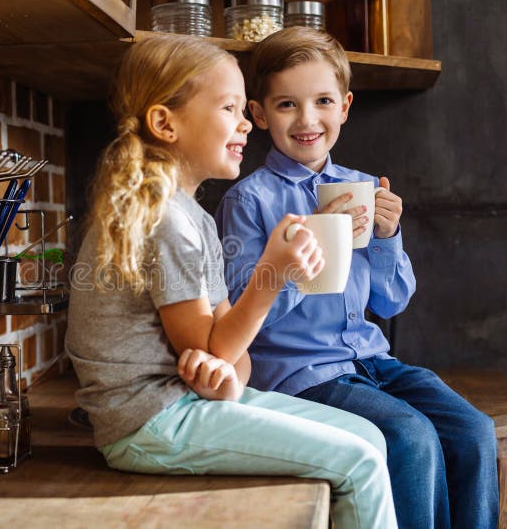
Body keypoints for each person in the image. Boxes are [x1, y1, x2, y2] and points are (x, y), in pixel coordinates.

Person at [65, 34, 397, 529]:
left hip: (186, 404)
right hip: (149, 424)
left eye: (245, 109)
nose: (246, 123)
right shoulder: (164, 221)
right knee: (361, 461)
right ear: (165, 123)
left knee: (370, 439)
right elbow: (218, 343)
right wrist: (273, 271)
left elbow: (230, 352)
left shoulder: (192, 216)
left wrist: (227, 377)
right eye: (229, 108)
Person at [215, 27, 498, 529]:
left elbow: (391, 304)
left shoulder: (363, 189)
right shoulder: (249, 200)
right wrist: (303, 263)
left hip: (372, 360)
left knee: (474, 430)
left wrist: (388, 236)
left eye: (323, 101)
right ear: (259, 115)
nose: (308, 120)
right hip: (299, 375)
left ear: (344, 106)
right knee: (410, 436)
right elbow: (241, 312)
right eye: (286, 105)